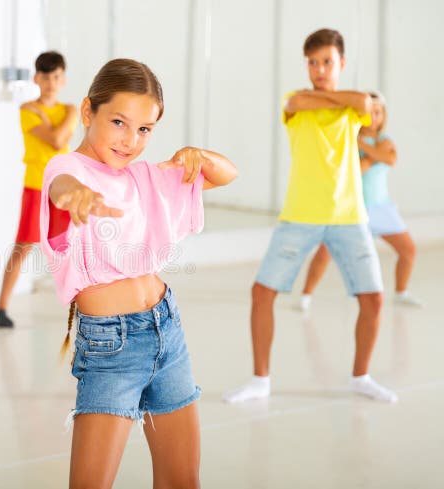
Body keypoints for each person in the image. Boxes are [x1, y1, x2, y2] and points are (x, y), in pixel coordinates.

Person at [40, 58, 237, 488]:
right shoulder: (67, 169)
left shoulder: (146, 177)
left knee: (182, 480)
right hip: (111, 346)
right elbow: (60, 186)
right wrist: (77, 197)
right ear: (87, 112)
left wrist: (197, 156)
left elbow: (227, 174)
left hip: (168, 329)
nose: (130, 140)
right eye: (118, 122)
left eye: (145, 129)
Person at [223, 29, 398, 404]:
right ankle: (260, 380)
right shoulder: (296, 102)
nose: (319, 69)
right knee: (262, 292)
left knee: (374, 299)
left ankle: (361, 376)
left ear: (342, 64)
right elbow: (299, 101)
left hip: (349, 217)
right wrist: (334, 98)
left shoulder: (353, 109)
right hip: (300, 215)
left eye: (327, 62)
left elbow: (364, 101)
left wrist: (333, 98)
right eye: (313, 62)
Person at [299, 92, 422, 310]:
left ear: (384, 115)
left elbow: (391, 158)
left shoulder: (384, 141)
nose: (373, 117)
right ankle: (306, 295)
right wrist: (373, 154)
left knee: (408, 250)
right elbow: (360, 168)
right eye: (369, 112)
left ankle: (401, 291)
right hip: (352, 209)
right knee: (325, 251)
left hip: (381, 208)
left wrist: (364, 147)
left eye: (378, 112)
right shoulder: (349, 140)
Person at [0, 51, 77, 327]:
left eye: (56, 76)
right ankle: (1, 308)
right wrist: (63, 122)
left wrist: (62, 117)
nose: (51, 82)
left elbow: (59, 135)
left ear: (63, 79)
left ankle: (82, 306)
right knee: (24, 246)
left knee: (70, 246)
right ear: (36, 78)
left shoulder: (69, 109)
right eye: (45, 76)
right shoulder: (27, 109)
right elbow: (56, 140)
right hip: (36, 186)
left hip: (62, 186)